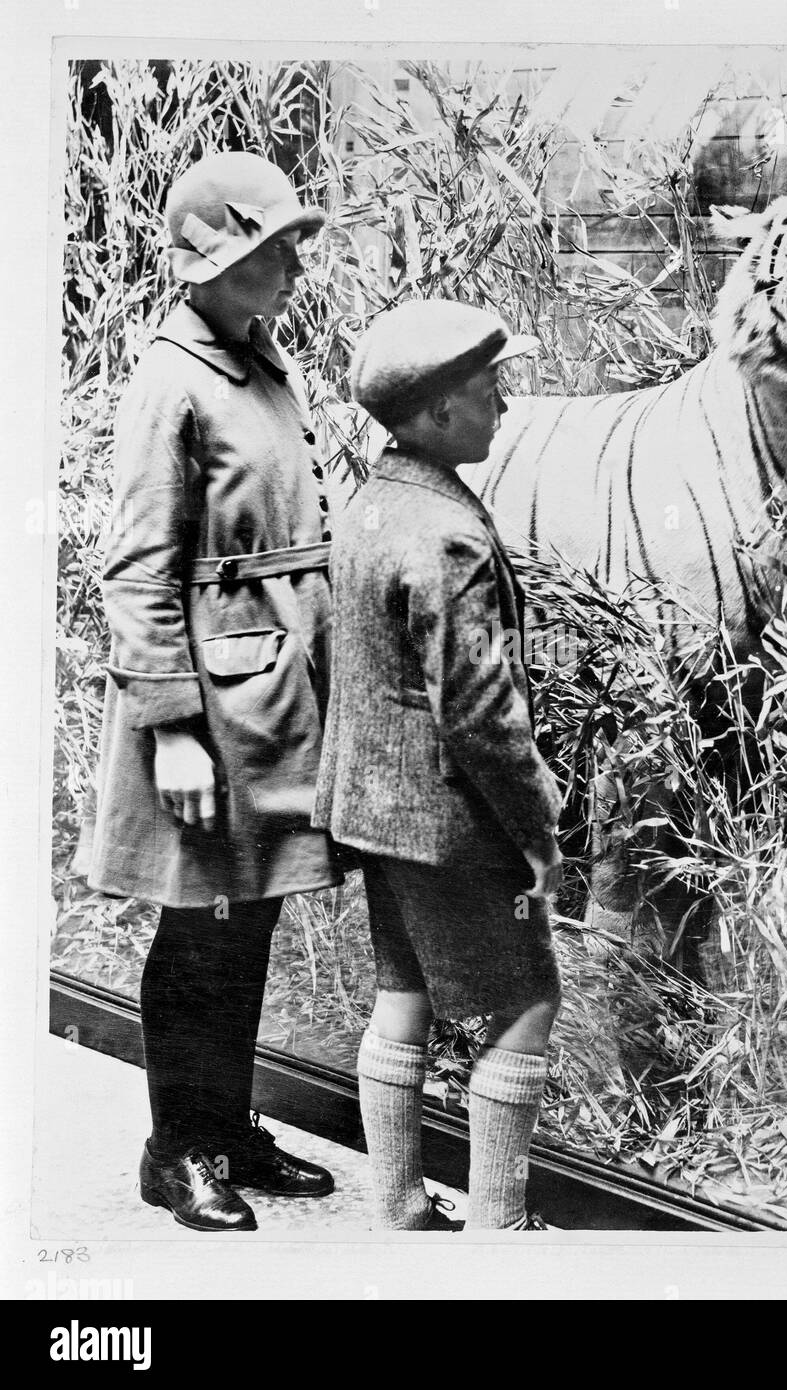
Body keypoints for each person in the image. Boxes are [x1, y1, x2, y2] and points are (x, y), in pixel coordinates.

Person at [86, 151, 344, 1232]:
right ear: (221, 258)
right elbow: (136, 569)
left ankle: (225, 1123)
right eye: (275, 243)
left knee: (244, 922)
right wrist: (174, 731)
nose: (294, 260)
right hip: (205, 708)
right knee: (196, 927)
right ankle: (175, 1144)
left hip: (268, 693)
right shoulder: (173, 378)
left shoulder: (254, 362)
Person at [313, 299, 564, 1231]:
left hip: (374, 809)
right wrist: (537, 832)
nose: (502, 403)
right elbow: (482, 714)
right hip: (452, 819)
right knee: (527, 1003)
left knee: (402, 991)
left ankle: (400, 1204)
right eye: (484, 389)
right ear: (431, 415)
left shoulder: (371, 503)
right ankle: (498, 1229)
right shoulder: (449, 534)